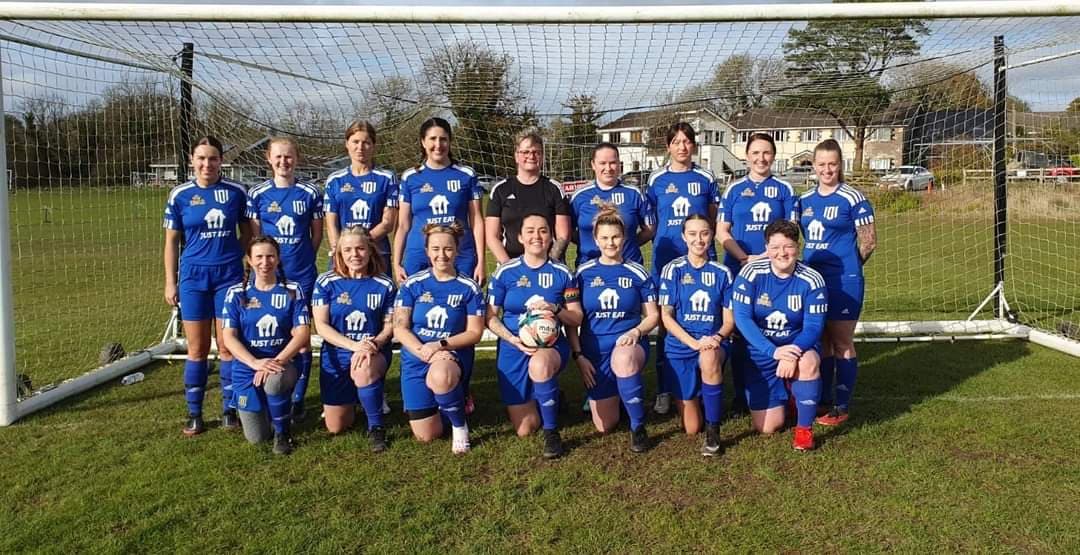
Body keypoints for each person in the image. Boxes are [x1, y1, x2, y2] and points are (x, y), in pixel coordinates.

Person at [163, 136, 251, 436]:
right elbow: (172, 243)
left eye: (213, 158)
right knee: (197, 348)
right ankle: (195, 413)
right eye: (201, 158)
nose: (207, 164)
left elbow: (249, 232)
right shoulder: (180, 195)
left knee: (227, 346)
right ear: (192, 160)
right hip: (192, 279)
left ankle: (229, 410)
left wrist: (237, 258)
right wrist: (169, 281)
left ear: (221, 161)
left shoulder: (237, 192)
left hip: (228, 277)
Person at [485, 213, 583, 459]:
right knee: (525, 429)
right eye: (530, 231)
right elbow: (490, 317)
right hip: (513, 344)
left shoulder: (563, 273)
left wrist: (556, 309)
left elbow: (577, 318)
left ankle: (552, 434)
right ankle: (551, 398)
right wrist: (512, 338)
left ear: (550, 237)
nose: (536, 236)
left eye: (542, 230)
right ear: (520, 237)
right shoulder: (505, 272)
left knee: (540, 364)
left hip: (550, 346)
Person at [718, 132, 798, 417]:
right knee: (740, 330)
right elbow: (722, 231)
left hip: (775, 271)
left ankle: (781, 391)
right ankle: (741, 394)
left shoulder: (784, 190)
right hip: (740, 268)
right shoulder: (734, 189)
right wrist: (744, 257)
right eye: (756, 153)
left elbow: (791, 232)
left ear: (773, 156)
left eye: (766, 153)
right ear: (746, 155)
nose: (761, 158)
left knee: (773, 327)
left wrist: (772, 257)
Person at [568, 205, 659, 453]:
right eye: (605, 237)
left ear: (625, 237)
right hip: (594, 352)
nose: (611, 242)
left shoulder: (637, 272)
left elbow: (653, 316)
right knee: (604, 425)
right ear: (595, 239)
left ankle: (638, 427)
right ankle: (622, 396)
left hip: (629, 344)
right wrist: (579, 357)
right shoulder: (582, 274)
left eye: (616, 236)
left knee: (624, 357)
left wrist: (636, 332)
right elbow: (573, 322)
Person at [798, 139, 877, 426]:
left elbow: (869, 242)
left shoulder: (852, 197)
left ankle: (841, 406)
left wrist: (848, 267)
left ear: (840, 165)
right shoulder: (804, 200)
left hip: (844, 281)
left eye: (832, 164)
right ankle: (823, 400)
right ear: (814, 166)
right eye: (821, 164)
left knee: (842, 341)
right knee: (822, 341)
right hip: (813, 282)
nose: (827, 169)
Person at [246, 136, 323, 423]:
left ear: (297, 159)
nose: (283, 162)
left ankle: (298, 399)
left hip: (301, 275)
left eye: (289, 157)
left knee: (301, 340)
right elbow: (256, 238)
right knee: (271, 333)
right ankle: (272, 389)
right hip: (269, 277)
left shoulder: (310, 192)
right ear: (268, 159)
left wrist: (303, 259)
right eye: (278, 157)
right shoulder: (257, 193)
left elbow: (316, 234)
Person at [645, 122, 720, 416]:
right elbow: (651, 221)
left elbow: (712, 220)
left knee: (706, 320)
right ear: (668, 146)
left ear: (694, 145)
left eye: (687, 141)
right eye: (676, 141)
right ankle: (665, 389)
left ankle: (705, 384)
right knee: (667, 325)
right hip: (666, 261)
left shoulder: (705, 177)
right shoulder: (656, 179)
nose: (682, 146)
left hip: (703, 261)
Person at [732, 220, 826, 451]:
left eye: (788, 246)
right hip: (762, 351)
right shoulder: (751, 273)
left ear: (798, 246)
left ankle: (804, 429)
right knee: (768, 427)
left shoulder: (812, 279)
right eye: (775, 247)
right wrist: (772, 351)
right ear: (767, 248)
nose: (782, 253)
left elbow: (813, 327)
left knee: (809, 362)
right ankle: (790, 391)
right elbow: (742, 319)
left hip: (796, 346)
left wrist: (790, 354)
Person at [393, 223, 484, 453]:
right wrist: (424, 350)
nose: (441, 255)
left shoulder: (469, 287)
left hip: (450, 353)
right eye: (435, 249)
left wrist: (440, 345)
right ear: (427, 251)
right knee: (427, 435)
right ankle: (452, 399)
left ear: (456, 251)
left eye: (447, 249)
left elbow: (475, 332)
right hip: (418, 356)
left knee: (441, 375)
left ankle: (460, 425)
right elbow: (400, 328)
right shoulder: (413, 284)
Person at [220, 236, 311, 455]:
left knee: (274, 381)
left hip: (282, 362)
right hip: (247, 367)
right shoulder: (236, 293)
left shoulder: (292, 290)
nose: (265, 262)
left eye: (270, 256)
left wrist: (275, 362)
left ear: (278, 259)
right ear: (249, 260)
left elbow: (302, 333)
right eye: (259, 257)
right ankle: (272, 410)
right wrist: (255, 362)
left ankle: (283, 433)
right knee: (256, 438)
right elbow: (228, 337)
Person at [311, 226, 395, 452]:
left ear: (370, 250)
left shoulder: (384, 284)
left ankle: (376, 427)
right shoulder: (325, 282)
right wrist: (353, 345)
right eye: (347, 250)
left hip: (372, 350)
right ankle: (361, 397)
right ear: (339, 253)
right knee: (337, 426)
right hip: (338, 352)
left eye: (360, 248)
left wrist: (374, 343)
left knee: (363, 370)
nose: (354, 255)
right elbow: (321, 326)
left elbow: (390, 326)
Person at [658, 215, 734, 456]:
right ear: (684, 237)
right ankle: (700, 394)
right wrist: (692, 343)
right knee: (691, 427)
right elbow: (666, 317)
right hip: (681, 345)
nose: (698, 239)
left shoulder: (723, 272)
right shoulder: (673, 270)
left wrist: (716, 338)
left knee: (710, 357)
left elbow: (729, 321)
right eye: (692, 234)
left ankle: (714, 433)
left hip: (712, 342)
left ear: (712, 236)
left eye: (704, 233)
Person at [393, 117, 485, 285]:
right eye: (432, 139)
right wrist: (396, 263)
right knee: (417, 307)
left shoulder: (466, 175)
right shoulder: (410, 177)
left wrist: (481, 262)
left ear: (450, 142)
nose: (438, 144)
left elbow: (477, 221)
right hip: (418, 255)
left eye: (443, 139)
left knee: (460, 306)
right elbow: (403, 225)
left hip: (460, 254)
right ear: (423, 142)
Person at [485, 129, 572, 264]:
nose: (531, 156)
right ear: (516, 156)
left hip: (548, 265)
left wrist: (549, 265)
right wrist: (509, 267)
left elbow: (563, 235)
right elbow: (492, 236)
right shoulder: (500, 190)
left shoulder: (554, 189)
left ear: (542, 156)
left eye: (536, 152)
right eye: (526, 152)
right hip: (511, 264)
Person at [324, 121, 399, 273]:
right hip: (344, 255)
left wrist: (361, 244)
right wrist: (342, 249)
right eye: (355, 142)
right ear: (347, 144)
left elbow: (387, 223)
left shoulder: (386, 178)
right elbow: (331, 224)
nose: (360, 147)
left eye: (366, 142)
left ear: (373, 146)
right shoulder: (335, 180)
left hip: (377, 253)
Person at [569, 142, 655, 268]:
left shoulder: (634, 194)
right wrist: (589, 242)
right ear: (593, 165)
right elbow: (567, 231)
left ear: (619, 164)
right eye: (602, 163)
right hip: (589, 270)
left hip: (628, 267)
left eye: (613, 163)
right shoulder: (579, 196)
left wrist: (626, 242)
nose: (608, 168)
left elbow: (649, 229)